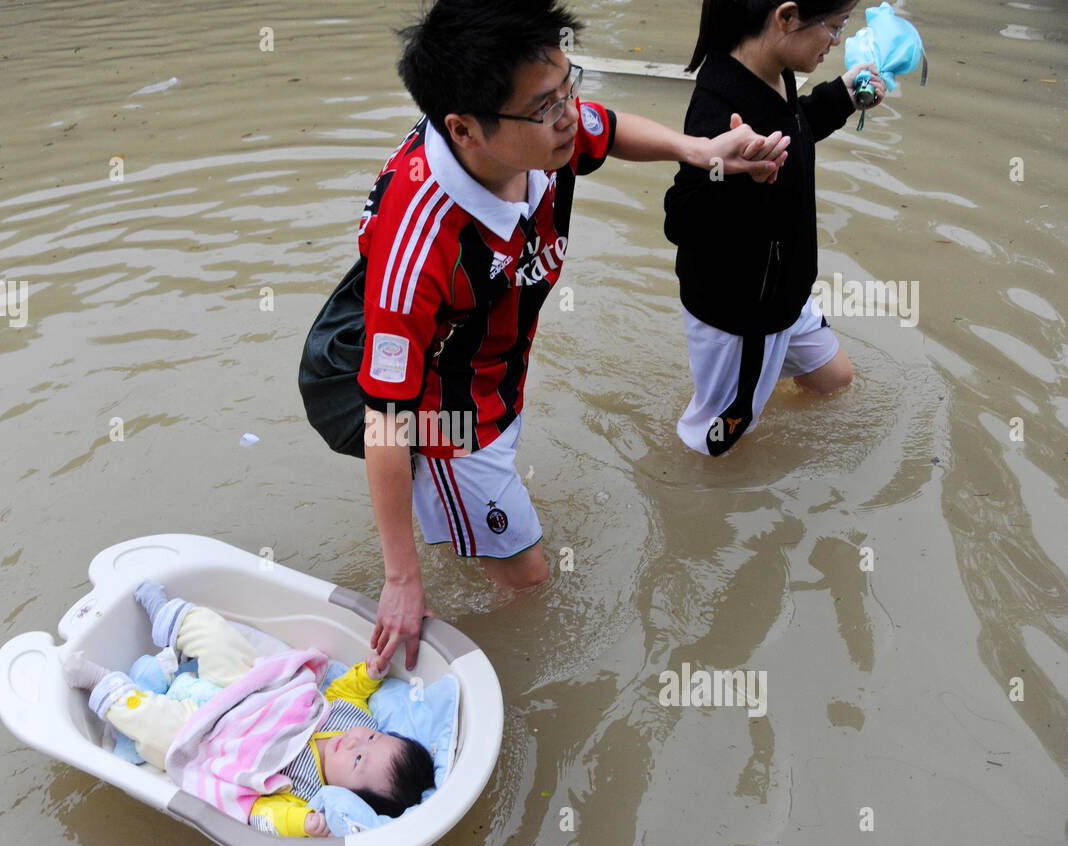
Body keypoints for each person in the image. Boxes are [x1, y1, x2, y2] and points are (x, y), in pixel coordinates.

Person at [360, 0, 791, 670]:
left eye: (570, 85)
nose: (569, 114)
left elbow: (607, 128)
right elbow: (385, 417)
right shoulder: (416, 245)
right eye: (545, 104)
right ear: (463, 129)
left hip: (501, 375)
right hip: (449, 421)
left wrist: (701, 151)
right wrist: (400, 578)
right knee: (533, 584)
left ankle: (468, 535)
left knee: (503, 546)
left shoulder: (540, 134)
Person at [663, 0, 887, 456]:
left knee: (833, 379)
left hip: (781, 291)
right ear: (785, 17)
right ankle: (692, 506)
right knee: (716, 442)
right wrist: (725, 172)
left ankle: (766, 375)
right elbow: (679, 216)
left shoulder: (772, 75)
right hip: (742, 311)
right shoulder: (720, 104)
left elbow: (795, 127)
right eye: (834, 25)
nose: (837, 40)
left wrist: (843, 94)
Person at [62, 580, 435, 838]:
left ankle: (100, 683)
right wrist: (369, 674)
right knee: (222, 639)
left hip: (213, 736)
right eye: (371, 738)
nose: (355, 744)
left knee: (160, 732)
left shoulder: (304, 788)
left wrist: (300, 824)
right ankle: (167, 617)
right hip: (250, 690)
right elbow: (345, 690)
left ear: (349, 794)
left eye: (358, 763)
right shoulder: (352, 718)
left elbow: (261, 812)